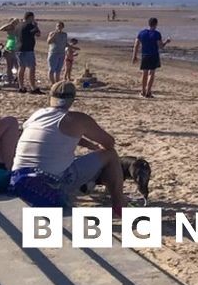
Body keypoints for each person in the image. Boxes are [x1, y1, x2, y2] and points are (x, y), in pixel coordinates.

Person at [10, 81, 125, 213]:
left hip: (19, 179)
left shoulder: (37, 115)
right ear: (72, 100)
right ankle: (119, 205)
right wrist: (97, 146)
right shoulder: (78, 119)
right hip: (50, 183)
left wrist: (89, 145)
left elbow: (56, 135)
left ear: (51, 98)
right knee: (110, 154)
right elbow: (109, 143)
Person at [132, 17, 170, 98]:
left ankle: (143, 91)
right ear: (156, 24)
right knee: (151, 73)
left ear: (149, 24)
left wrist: (134, 56)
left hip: (145, 55)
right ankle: (148, 91)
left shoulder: (142, 33)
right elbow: (161, 46)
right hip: (154, 55)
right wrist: (166, 41)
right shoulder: (157, 34)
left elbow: (136, 45)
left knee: (145, 73)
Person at [14, 12, 43, 94]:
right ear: (30, 17)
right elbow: (38, 34)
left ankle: (21, 87)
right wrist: (36, 25)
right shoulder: (30, 26)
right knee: (31, 68)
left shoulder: (18, 26)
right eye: (33, 18)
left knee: (21, 67)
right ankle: (33, 87)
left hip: (19, 49)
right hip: (28, 49)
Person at [0, 18, 19, 85]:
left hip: (16, 49)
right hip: (8, 48)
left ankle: (18, 80)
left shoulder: (19, 29)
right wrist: (10, 24)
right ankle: (10, 80)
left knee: (17, 66)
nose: (15, 23)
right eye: (14, 22)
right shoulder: (9, 29)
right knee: (9, 66)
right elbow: (1, 29)